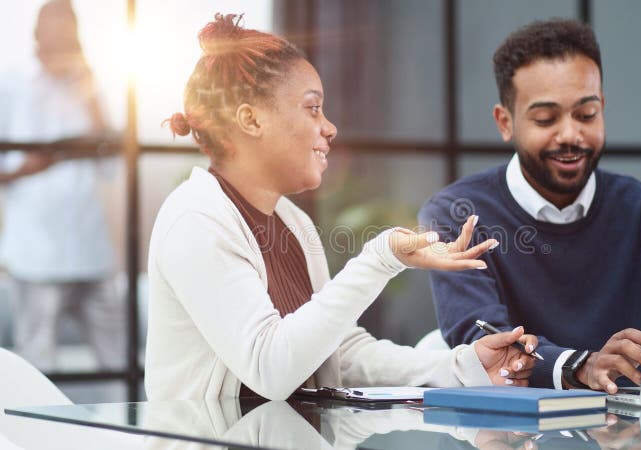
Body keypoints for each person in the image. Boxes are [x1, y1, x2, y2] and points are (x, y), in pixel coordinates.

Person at [146, 13, 539, 401]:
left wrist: (463, 367)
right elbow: (270, 368)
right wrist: (380, 259)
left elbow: (338, 354)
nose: (329, 127)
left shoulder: (293, 221)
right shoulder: (196, 218)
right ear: (251, 119)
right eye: (312, 108)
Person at [418, 19, 641, 394]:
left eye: (587, 114)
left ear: (603, 107)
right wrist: (580, 366)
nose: (570, 135)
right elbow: (482, 343)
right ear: (505, 122)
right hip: (513, 426)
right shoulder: (457, 215)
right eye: (546, 119)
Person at [0, 0, 123, 371]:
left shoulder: (90, 87)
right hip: (36, 257)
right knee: (37, 368)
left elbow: (111, 166)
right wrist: (29, 169)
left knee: (119, 364)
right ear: (37, 35)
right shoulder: (11, 85)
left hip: (90, 252)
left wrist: (89, 89)